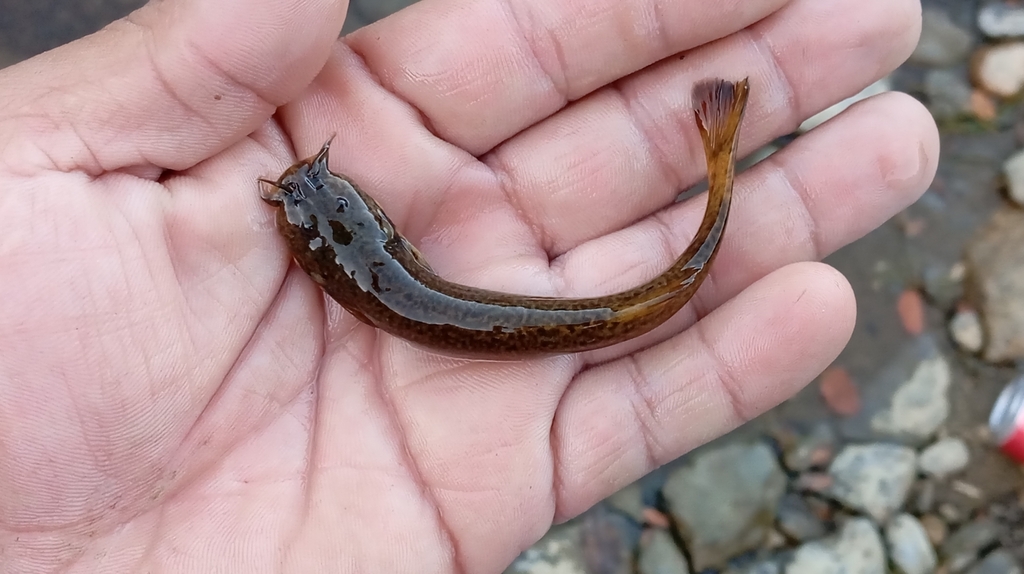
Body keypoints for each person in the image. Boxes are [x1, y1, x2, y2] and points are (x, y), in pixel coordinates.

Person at [0, 0, 937, 571]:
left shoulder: (364, 263)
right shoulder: (361, 261)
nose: (331, 210)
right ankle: (719, 163)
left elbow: (357, 256)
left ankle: (721, 165)